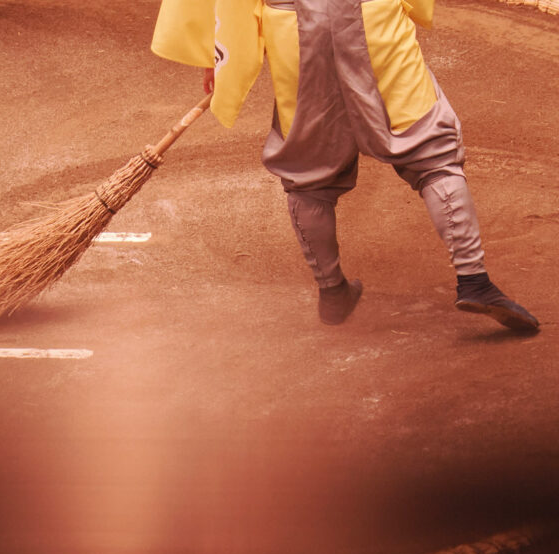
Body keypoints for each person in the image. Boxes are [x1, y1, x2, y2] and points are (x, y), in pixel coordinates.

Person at [151, 0, 539, 331]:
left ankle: (332, 290)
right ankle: (474, 280)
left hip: (293, 26)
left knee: (307, 171)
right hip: (371, 18)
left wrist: (217, 53)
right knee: (431, 151)